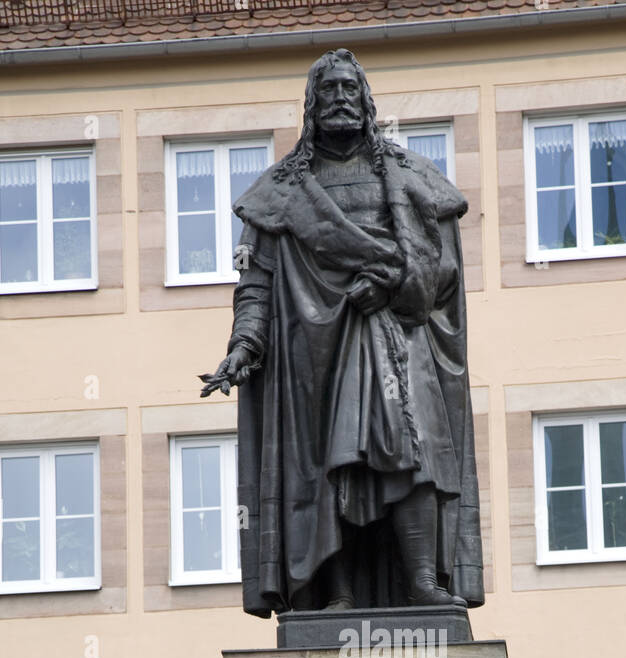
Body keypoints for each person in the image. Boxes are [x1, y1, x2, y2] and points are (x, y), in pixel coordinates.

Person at [200, 48, 484, 616]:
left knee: (418, 453)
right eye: (327, 91)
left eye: (349, 89)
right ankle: (337, 594)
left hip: (403, 343)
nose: (339, 99)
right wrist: (244, 346)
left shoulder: (408, 174)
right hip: (315, 357)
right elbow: (256, 282)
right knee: (327, 466)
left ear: (367, 101)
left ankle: (424, 581)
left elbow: (444, 266)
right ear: (311, 105)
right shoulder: (281, 192)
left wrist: (392, 285)